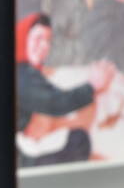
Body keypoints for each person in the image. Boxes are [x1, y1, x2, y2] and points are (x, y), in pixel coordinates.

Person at [16, 12, 115, 166]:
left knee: (79, 139)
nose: (44, 46)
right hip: (22, 160)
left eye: (48, 41)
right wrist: (92, 87)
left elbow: (56, 97)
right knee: (79, 141)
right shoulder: (22, 74)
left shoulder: (30, 73)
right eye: (38, 39)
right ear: (23, 39)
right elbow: (55, 102)